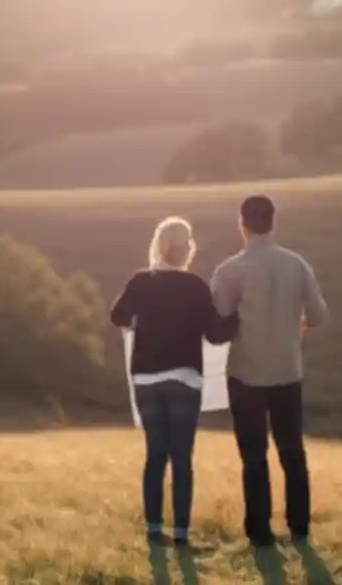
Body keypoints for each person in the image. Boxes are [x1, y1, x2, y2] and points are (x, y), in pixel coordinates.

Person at [111, 217, 239, 547]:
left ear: (159, 245)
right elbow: (216, 334)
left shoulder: (141, 281)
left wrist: (144, 316)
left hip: (146, 379)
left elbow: (118, 316)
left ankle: (154, 531)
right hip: (184, 379)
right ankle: (181, 535)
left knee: (155, 456)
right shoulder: (195, 287)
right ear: (187, 250)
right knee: (182, 457)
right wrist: (237, 314)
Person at [211, 195, 328, 548]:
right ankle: (300, 525)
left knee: (254, 454)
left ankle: (260, 530)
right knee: (292, 450)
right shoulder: (297, 264)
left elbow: (218, 318)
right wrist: (297, 324)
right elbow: (320, 315)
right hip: (288, 370)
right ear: (273, 223)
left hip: (246, 371)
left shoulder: (231, 269)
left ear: (242, 224)